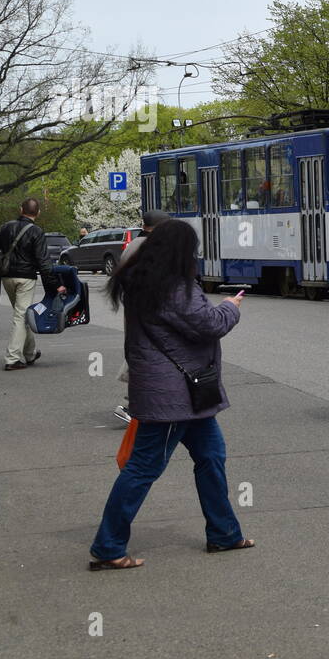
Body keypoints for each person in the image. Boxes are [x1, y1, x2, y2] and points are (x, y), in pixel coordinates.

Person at [89, 219, 250, 570]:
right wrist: (230, 307)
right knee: (143, 468)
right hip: (174, 394)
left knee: (211, 456)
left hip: (182, 391)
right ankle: (108, 546)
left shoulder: (140, 280)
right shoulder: (175, 286)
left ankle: (224, 533)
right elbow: (209, 324)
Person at [0, 198, 65, 371]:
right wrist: (55, 284)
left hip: (6, 277)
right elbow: (44, 262)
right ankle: (12, 358)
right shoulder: (37, 232)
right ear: (38, 213)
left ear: (21, 209)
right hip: (26, 278)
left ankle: (30, 353)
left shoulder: (5, 227)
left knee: (22, 314)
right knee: (21, 315)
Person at [114, 210, 171, 425]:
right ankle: (135, 405)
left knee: (138, 350)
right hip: (152, 309)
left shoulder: (131, 246)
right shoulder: (156, 248)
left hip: (133, 308)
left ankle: (137, 401)